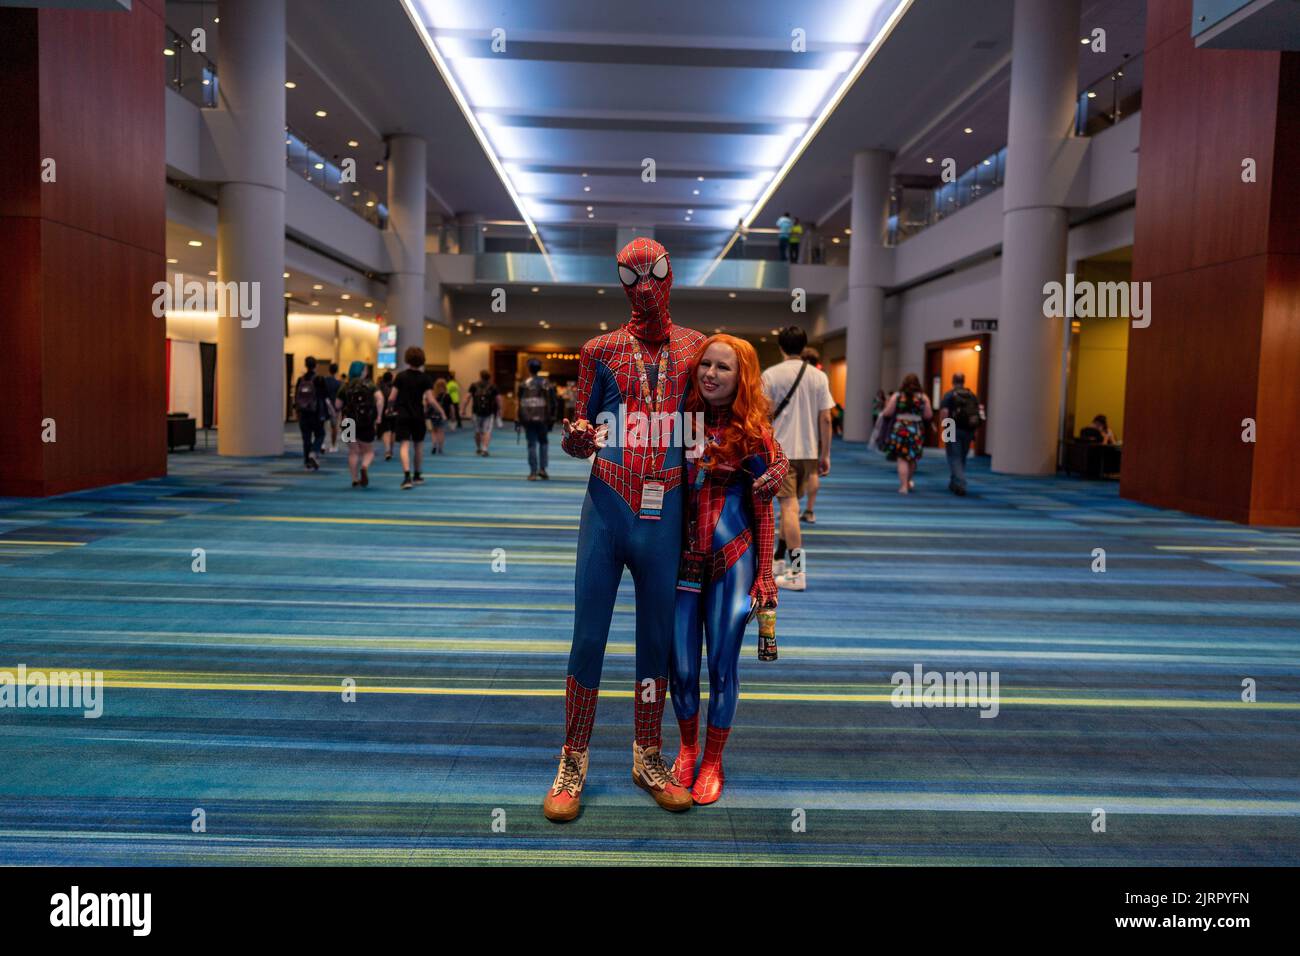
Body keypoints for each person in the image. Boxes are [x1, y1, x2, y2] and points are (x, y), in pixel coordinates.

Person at [542, 236, 704, 823]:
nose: (645, 288)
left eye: (654, 273)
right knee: (588, 637)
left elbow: (724, 419)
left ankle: (648, 755)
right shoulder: (599, 351)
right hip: (608, 508)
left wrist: (767, 457)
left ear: (670, 273)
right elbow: (579, 424)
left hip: (666, 516)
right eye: (631, 277)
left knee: (654, 643)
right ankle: (573, 758)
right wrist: (576, 439)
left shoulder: (696, 348)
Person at [670, 334, 787, 805]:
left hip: (732, 561)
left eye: (723, 367)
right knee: (678, 666)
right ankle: (687, 748)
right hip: (681, 562)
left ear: (743, 377)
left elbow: (763, 509)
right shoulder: (681, 424)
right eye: (705, 365)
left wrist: (766, 573)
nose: (710, 374)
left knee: (721, 667)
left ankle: (713, 761)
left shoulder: (752, 433)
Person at [760, 326, 834, 592]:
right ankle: (779, 560)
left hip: (782, 452)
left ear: (780, 347)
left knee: (788, 510)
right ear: (803, 348)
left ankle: (798, 572)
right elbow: (826, 418)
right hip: (809, 452)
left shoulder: (770, 374)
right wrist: (825, 453)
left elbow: (762, 415)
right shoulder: (818, 376)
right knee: (790, 509)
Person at [881, 373, 933, 494]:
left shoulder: (898, 396)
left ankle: (903, 486)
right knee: (912, 458)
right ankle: (908, 482)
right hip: (916, 429)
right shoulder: (923, 397)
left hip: (901, 428)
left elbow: (887, 413)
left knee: (902, 458)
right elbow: (928, 415)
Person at [393, 346, 434, 490]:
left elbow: (392, 397)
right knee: (418, 446)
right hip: (418, 416)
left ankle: (406, 477)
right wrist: (441, 410)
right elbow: (430, 399)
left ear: (407, 359)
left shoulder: (400, 376)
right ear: (422, 360)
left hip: (403, 415)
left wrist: (390, 408)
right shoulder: (425, 378)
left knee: (404, 446)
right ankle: (417, 475)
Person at [337, 360, 382, 488]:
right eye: (365, 370)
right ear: (362, 371)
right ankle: (364, 466)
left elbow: (337, 405)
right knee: (368, 451)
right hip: (366, 421)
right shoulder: (370, 385)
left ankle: (354, 479)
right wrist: (378, 416)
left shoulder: (345, 386)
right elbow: (380, 399)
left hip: (347, 421)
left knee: (353, 451)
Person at [937, 372, 983, 496]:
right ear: (963, 381)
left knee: (953, 456)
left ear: (953, 381)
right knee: (961, 456)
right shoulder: (972, 395)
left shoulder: (949, 395)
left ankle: (961, 482)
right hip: (968, 429)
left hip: (951, 427)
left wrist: (945, 429)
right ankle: (954, 482)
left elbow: (945, 414)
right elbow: (978, 413)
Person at [516, 358, 556, 480]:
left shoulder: (524, 384)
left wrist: (518, 419)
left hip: (527, 418)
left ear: (529, 369)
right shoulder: (546, 383)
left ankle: (533, 472)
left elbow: (519, 402)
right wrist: (552, 418)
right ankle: (542, 469)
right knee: (543, 442)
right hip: (543, 418)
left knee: (531, 444)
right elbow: (553, 402)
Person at [292, 356, 327, 471]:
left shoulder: (300, 379)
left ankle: (307, 462)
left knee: (306, 438)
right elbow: (324, 396)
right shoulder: (319, 379)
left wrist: (296, 411)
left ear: (305, 365)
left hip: (303, 412)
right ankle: (314, 452)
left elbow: (296, 397)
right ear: (316, 365)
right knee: (320, 434)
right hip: (316, 413)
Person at [464, 370, 501, 456]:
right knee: (487, 431)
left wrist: (463, 409)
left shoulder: (474, 385)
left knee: (477, 431)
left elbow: (467, 397)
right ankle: (485, 449)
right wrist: (500, 410)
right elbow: (499, 399)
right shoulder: (493, 386)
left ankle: (478, 448)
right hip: (489, 412)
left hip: (476, 412)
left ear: (480, 376)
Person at [322, 362, 342, 453]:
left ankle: (322, 444)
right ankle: (333, 446)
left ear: (329, 370)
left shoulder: (324, 381)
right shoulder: (338, 383)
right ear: (337, 371)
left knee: (322, 426)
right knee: (334, 427)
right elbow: (340, 397)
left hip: (324, 406)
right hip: (334, 408)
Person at [377, 370, 397, 460]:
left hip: (383, 411)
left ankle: (387, 450)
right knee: (393, 431)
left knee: (385, 431)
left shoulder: (379, 387)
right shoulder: (394, 388)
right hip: (394, 411)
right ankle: (391, 451)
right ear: (391, 379)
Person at [428, 378, 449, 454]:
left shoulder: (433, 395)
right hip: (442, 416)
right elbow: (452, 407)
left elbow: (428, 404)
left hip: (432, 415)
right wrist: (453, 416)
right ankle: (440, 448)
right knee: (441, 431)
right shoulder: (447, 396)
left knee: (434, 431)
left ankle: (434, 445)